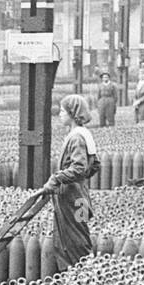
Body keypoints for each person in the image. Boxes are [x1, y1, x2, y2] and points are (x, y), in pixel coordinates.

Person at [41, 94, 100, 274]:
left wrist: (57, 178)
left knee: (70, 240)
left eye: (63, 111)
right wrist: (78, 182)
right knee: (81, 235)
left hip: (71, 198)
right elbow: (94, 165)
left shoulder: (76, 138)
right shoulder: (84, 134)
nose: (60, 114)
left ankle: (77, 278)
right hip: (80, 196)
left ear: (73, 114)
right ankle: (83, 275)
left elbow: (79, 168)